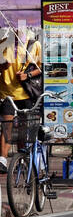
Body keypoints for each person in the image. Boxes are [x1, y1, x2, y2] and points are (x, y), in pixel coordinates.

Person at [0, 26, 42, 174]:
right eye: (15, 26)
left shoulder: (33, 45)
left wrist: (27, 76)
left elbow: (40, 67)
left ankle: (22, 159)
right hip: (7, 92)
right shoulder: (4, 43)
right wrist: (3, 66)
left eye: (21, 26)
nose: (18, 29)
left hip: (26, 93)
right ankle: (3, 160)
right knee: (7, 126)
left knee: (24, 130)